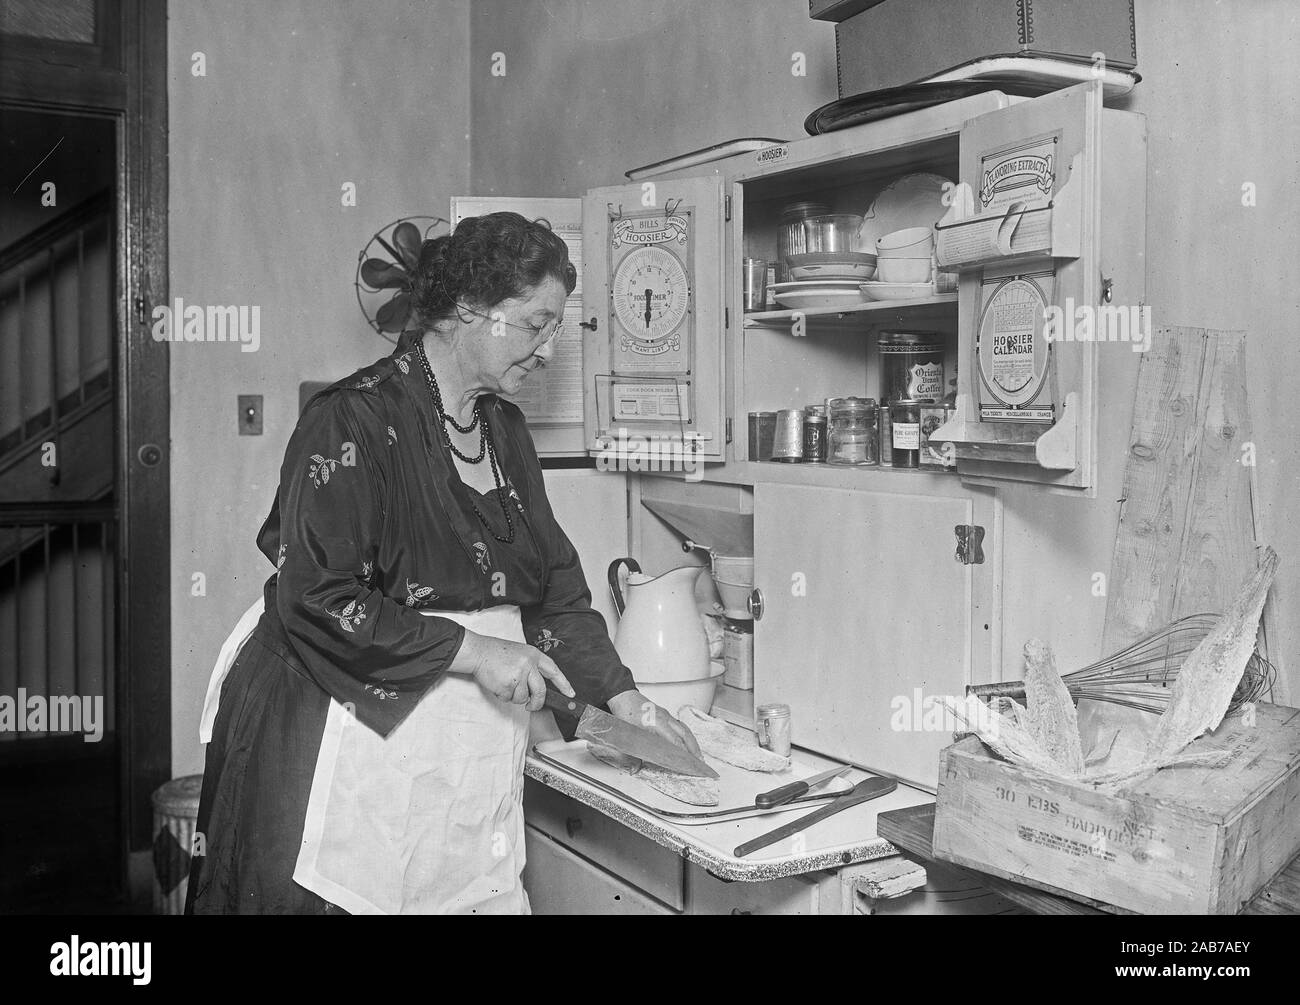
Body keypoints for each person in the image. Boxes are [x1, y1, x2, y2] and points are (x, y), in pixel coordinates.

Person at [186, 212, 700, 915]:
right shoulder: (351, 422)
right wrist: (474, 648)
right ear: (467, 310)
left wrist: (625, 698)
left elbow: (551, 590)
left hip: (455, 755)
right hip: (344, 733)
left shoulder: (505, 431)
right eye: (535, 325)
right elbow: (318, 594)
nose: (548, 351)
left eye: (556, 330)